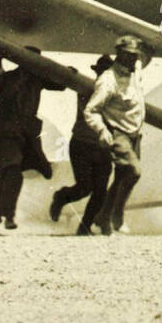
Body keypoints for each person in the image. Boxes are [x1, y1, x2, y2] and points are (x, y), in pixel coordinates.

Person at [0, 48, 66, 234]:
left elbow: (61, 84)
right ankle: (8, 215)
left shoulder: (38, 79)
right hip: (6, 132)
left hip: (26, 134)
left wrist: (67, 71)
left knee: (9, 174)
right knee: (13, 171)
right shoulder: (9, 78)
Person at [83, 35, 147, 234]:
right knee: (134, 172)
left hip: (135, 133)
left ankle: (103, 217)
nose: (132, 59)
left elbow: (146, 58)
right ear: (119, 54)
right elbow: (90, 110)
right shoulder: (107, 81)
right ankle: (116, 216)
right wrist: (101, 130)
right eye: (128, 55)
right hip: (118, 133)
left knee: (121, 178)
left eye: (135, 55)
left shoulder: (134, 69)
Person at [50, 55, 116, 234]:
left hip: (102, 146)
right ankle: (61, 197)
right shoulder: (87, 88)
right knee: (84, 187)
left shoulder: (114, 92)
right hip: (82, 143)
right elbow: (69, 79)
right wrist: (71, 73)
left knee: (100, 192)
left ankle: (84, 227)